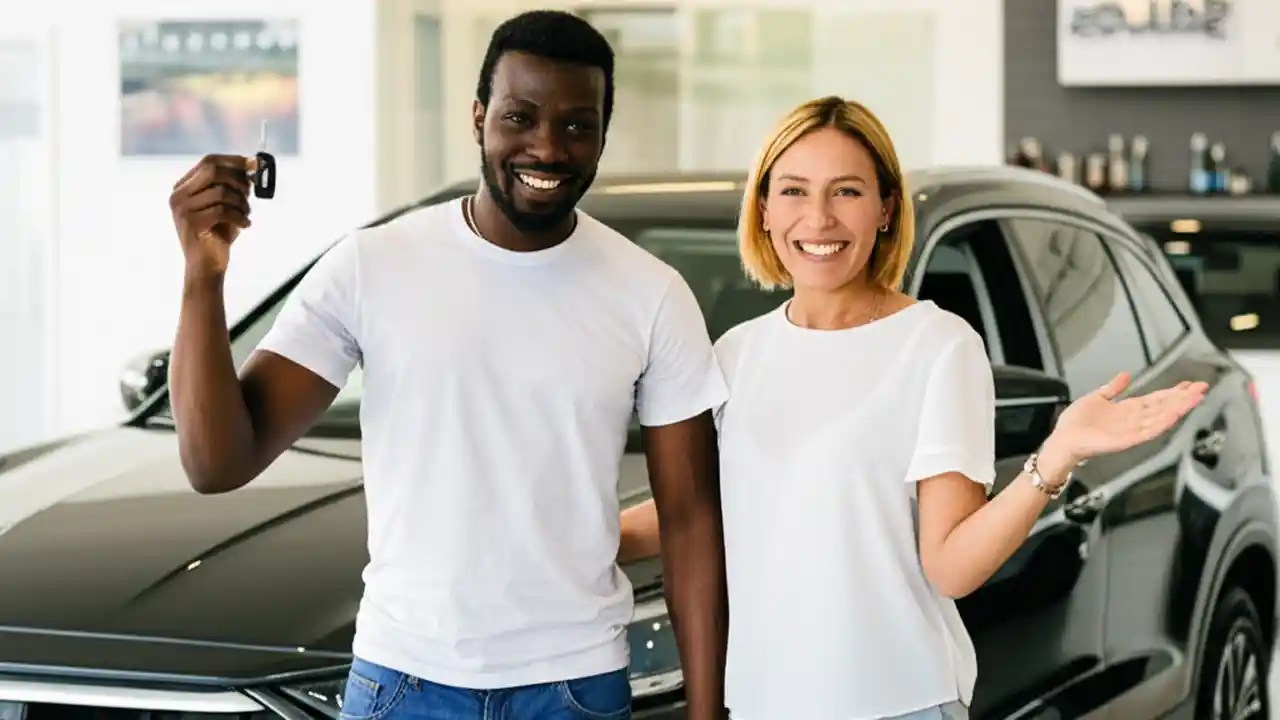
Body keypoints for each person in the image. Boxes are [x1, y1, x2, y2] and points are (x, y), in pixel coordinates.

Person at [166, 11, 729, 720]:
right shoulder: (374, 265)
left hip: (574, 687)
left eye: (577, 126)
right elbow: (217, 462)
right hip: (402, 683)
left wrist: (709, 713)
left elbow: (688, 520)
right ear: (478, 117)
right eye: (520, 117)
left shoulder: (650, 294)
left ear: (603, 135)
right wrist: (202, 276)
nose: (548, 148)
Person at [617, 96, 1208, 719]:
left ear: (885, 209)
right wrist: (579, 538)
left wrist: (1056, 455)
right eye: (793, 190)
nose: (817, 218)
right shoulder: (738, 353)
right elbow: (701, 503)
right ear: (764, 209)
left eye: (845, 192)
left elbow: (950, 565)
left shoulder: (937, 346)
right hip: (764, 705)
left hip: (898, 704)